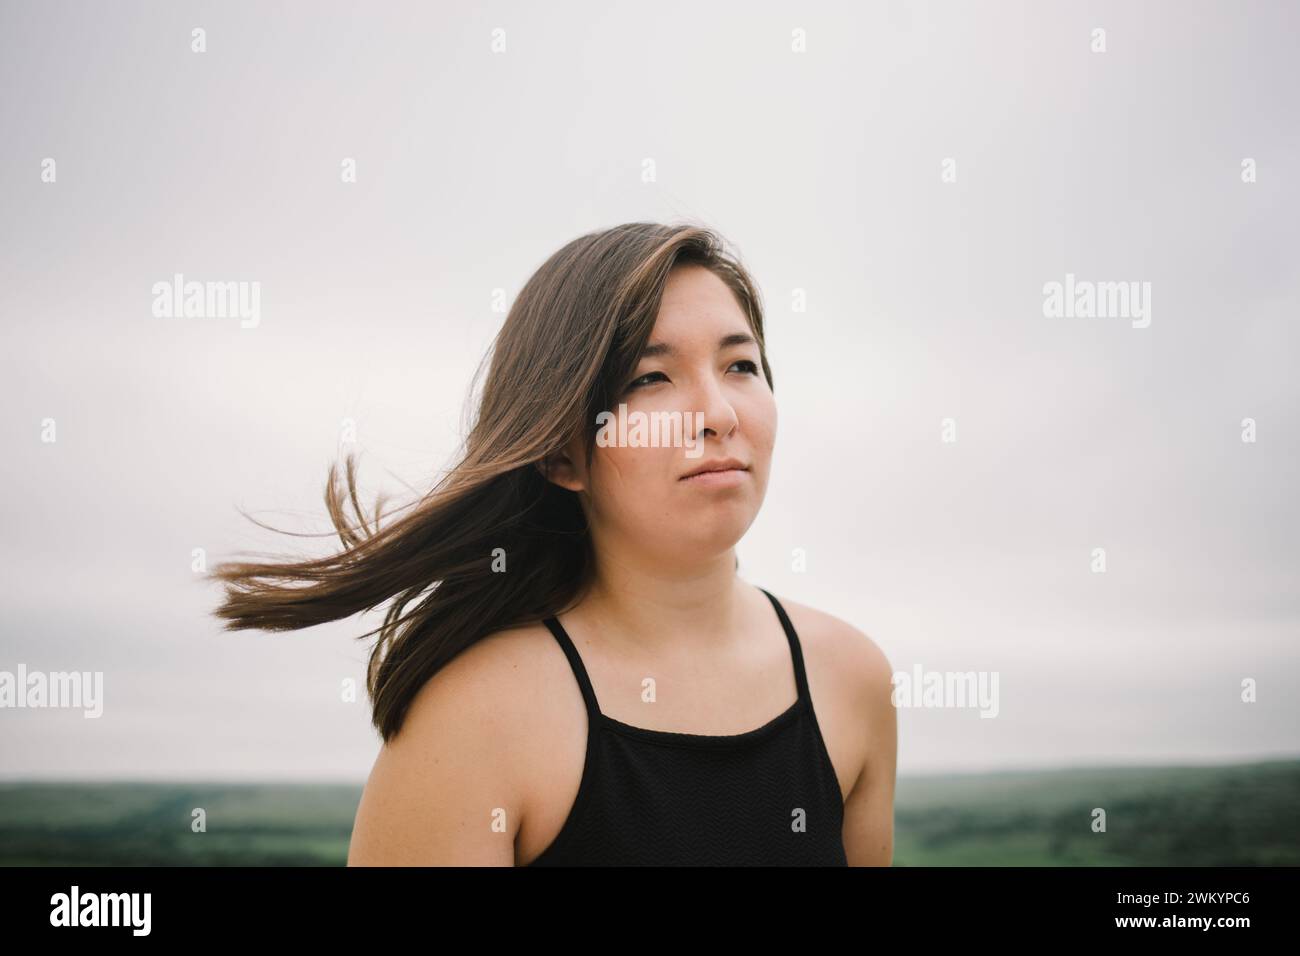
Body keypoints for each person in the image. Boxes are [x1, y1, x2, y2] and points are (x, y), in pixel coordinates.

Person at [209, 221, 896, 865]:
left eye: (740, 365)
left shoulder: (853, 680)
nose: (717, 414)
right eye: (650, 378)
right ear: (561, 456)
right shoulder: (476, 719)